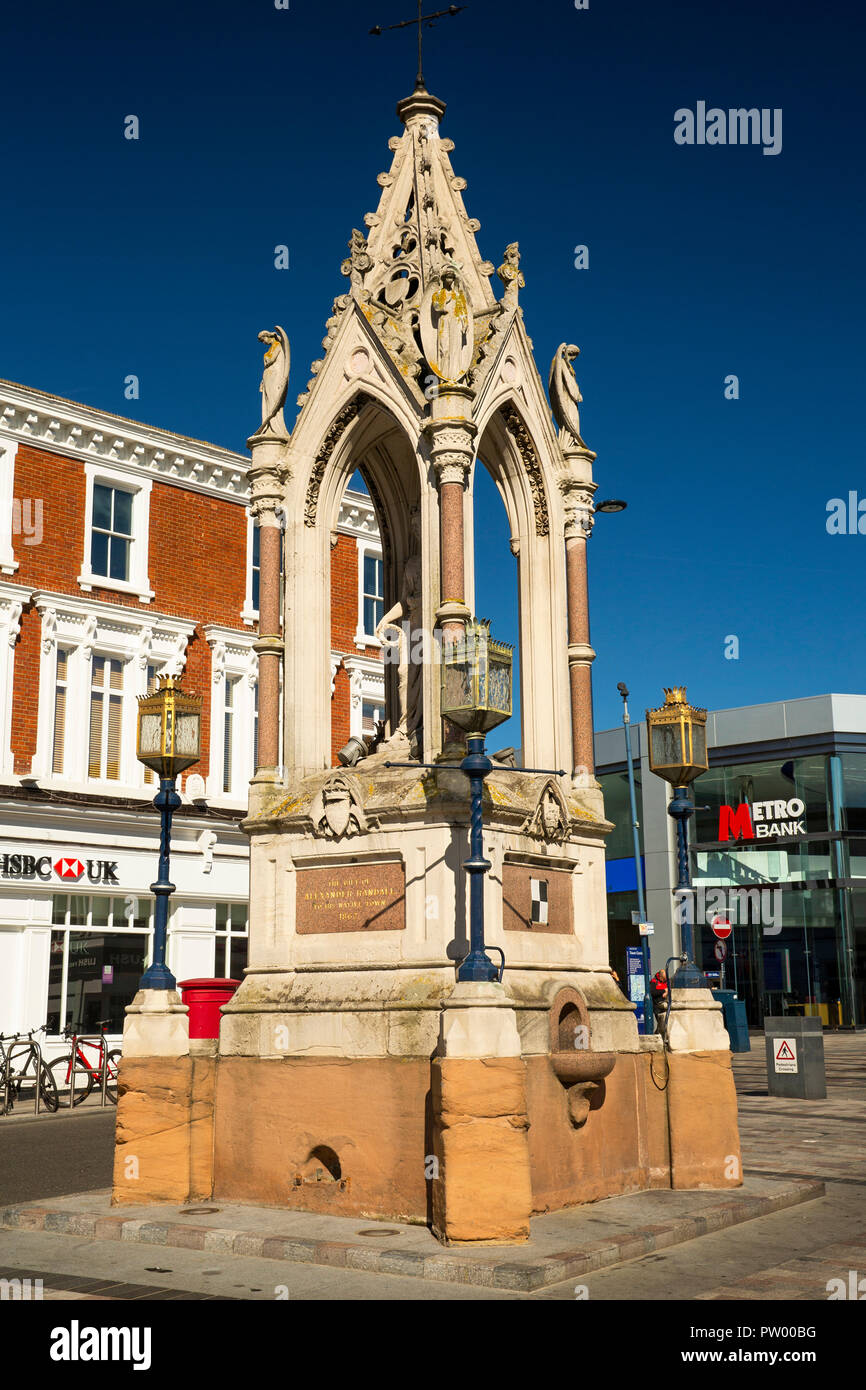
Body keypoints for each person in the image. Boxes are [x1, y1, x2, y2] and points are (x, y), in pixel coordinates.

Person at [650, 968, 669, 1033]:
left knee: (664, 1024)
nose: (664, 980)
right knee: (661, 1024)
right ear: (660, 977)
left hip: (665, 1005)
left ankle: (658, 1034)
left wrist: (666, 992)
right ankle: (657, 1034)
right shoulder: (654, 982)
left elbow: (668, 989)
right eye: (663, 979)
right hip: (657, 1006)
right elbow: (653, 992)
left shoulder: (666, 981)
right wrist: (663, 991)